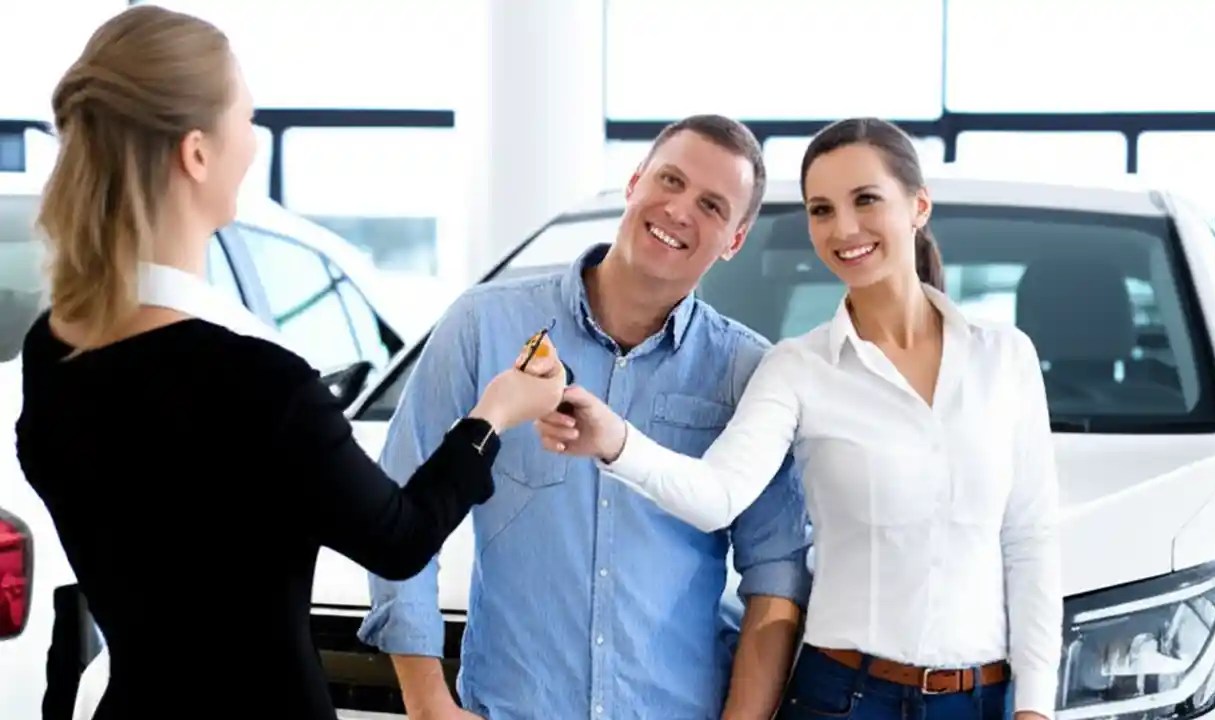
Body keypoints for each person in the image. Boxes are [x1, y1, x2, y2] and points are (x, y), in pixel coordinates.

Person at [13, 7, 565, 719]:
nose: (253, 141)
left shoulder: (49, 351)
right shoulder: (259, 383)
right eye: (246, 118)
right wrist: (496, 413)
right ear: (197, 152)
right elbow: (399, 539)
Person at [534, 118, 1062, 720]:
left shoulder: (1006, 358)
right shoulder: (797, 368)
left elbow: (1030, 541)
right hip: (842, 698)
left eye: (865, 200)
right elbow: (718, 496)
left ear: (917, 205)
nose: (844, 229)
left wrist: (1036, 707)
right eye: (821, 210)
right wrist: (615, 441)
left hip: (981, 702)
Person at [356, 115, 813, 719]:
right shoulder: (483, 327)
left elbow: (776, 570)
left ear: (733, 239)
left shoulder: (749, 374)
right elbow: (400, 508)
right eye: (669, 180)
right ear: (634, 183)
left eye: (711, 204)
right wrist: (426, 701)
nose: (679, 210)